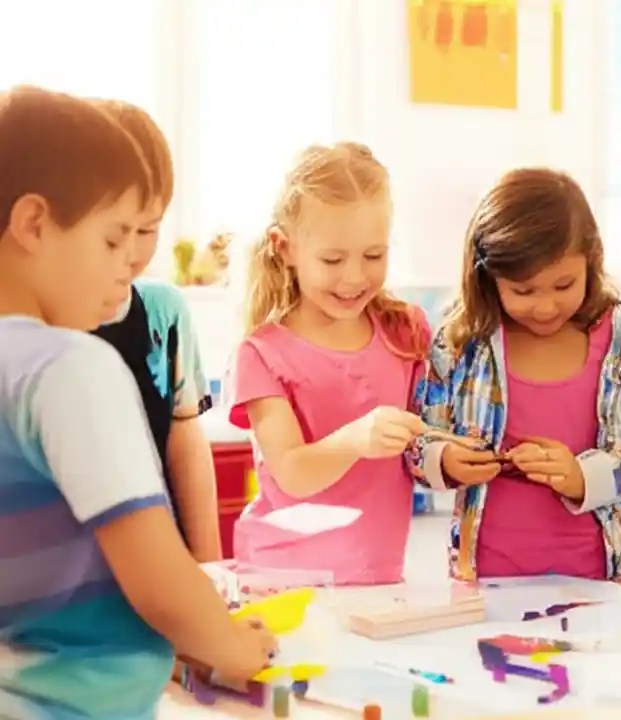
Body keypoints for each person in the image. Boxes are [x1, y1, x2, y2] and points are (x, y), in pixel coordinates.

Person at [0, 85, 274, 718]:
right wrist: (231, 644)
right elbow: (157, 578)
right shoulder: (70, 367)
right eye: (112, 239)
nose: (128, 265)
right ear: (35, 223)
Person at [409, 168, 621, 582]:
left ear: (592, 258)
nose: (544, 307)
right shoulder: (460, 339)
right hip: (481, 575)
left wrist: (580, 476)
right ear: (489, 277)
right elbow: (419, 439)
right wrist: (444, 459)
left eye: (563, 285)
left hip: (593, 577)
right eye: (523, 291)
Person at [226, 142, 430, 585]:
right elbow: (292, 473)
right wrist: (356, 439)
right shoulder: (261, 353)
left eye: (373, 256)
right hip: (281, 580)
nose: (354, 277)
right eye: (333, 260)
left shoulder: (406, 332)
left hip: (378, 576)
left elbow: (430, 443)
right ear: (286, 249)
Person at [91, 99, 222, 562]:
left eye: (148, 230)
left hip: (162, 562)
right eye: (112, 235)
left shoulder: (164, 312)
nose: (130, 252)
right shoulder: (39, 326)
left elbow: (184, 441)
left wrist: (208, 567)